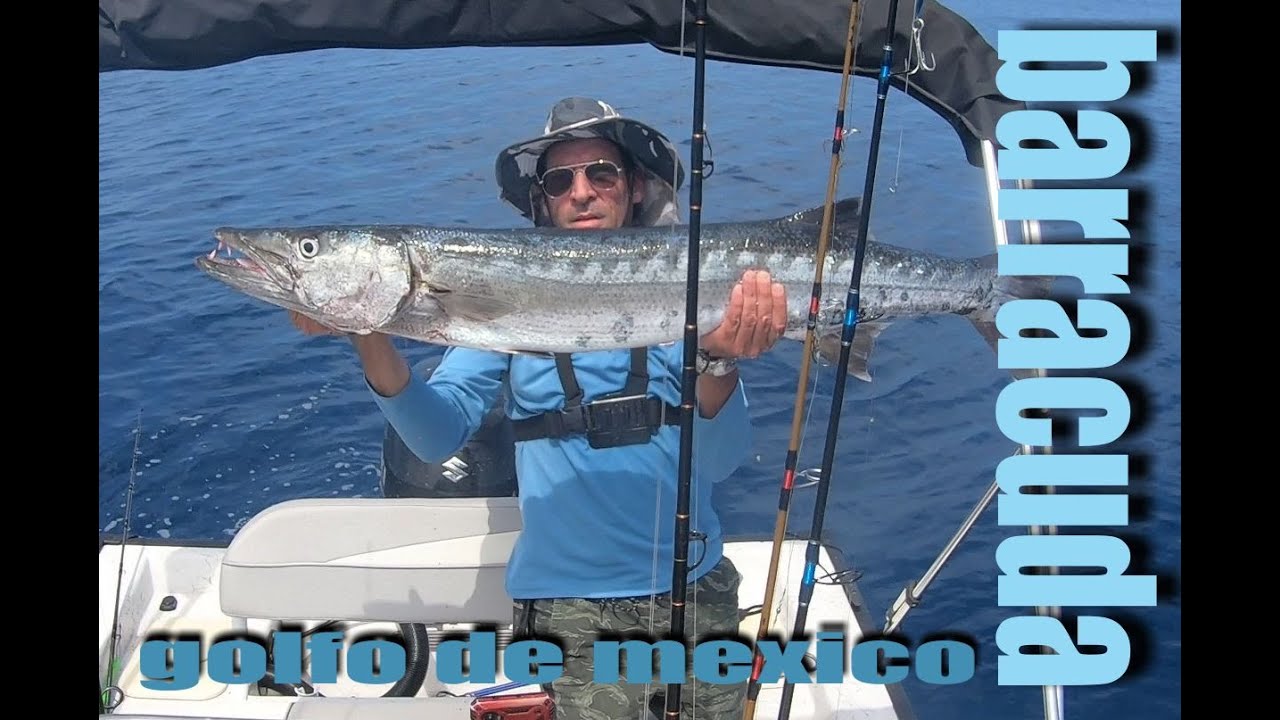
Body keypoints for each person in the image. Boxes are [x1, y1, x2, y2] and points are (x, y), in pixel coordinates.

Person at [291, 97, 788, 720]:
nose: (581, 192)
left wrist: (718, 361)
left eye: (601, 174)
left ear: (634, 187)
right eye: (561, 180)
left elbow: (719, 460)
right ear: (543, 200)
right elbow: (434, 436)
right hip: (568, 609)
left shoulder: (690, 289)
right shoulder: (501, 293)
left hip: (698, 589)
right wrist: (365, 328)